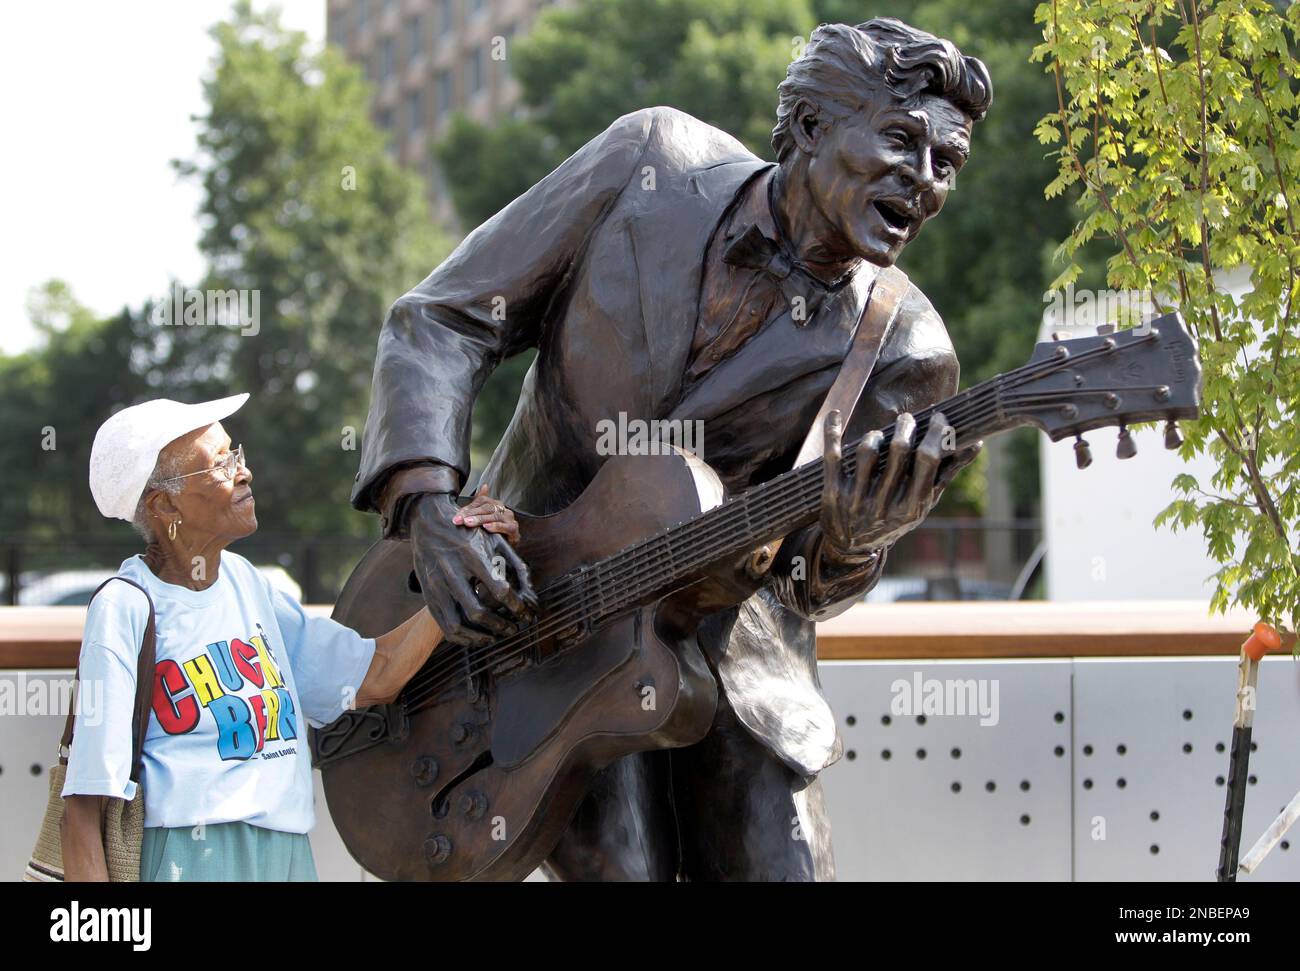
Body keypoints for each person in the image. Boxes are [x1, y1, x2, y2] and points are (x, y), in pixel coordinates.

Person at [350, 19, 990, 879]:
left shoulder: (908, 350)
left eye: (945, 163)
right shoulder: (647, 166)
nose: (924, 183)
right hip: (534, 616)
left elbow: (808, 578)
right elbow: (442, 319)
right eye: (901, 142)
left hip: (732, 656)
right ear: (808, 127)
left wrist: (857, 537)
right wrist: (429, 510)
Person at [60, 393, 519, 881]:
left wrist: (467, 565)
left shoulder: (248, 584)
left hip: (286, 858)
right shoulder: (125, 607)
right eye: (219, 465)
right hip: (188, 860)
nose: (243, 472)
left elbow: (377, 673)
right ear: (164, 504)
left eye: (236, 453)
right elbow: (84, 808)